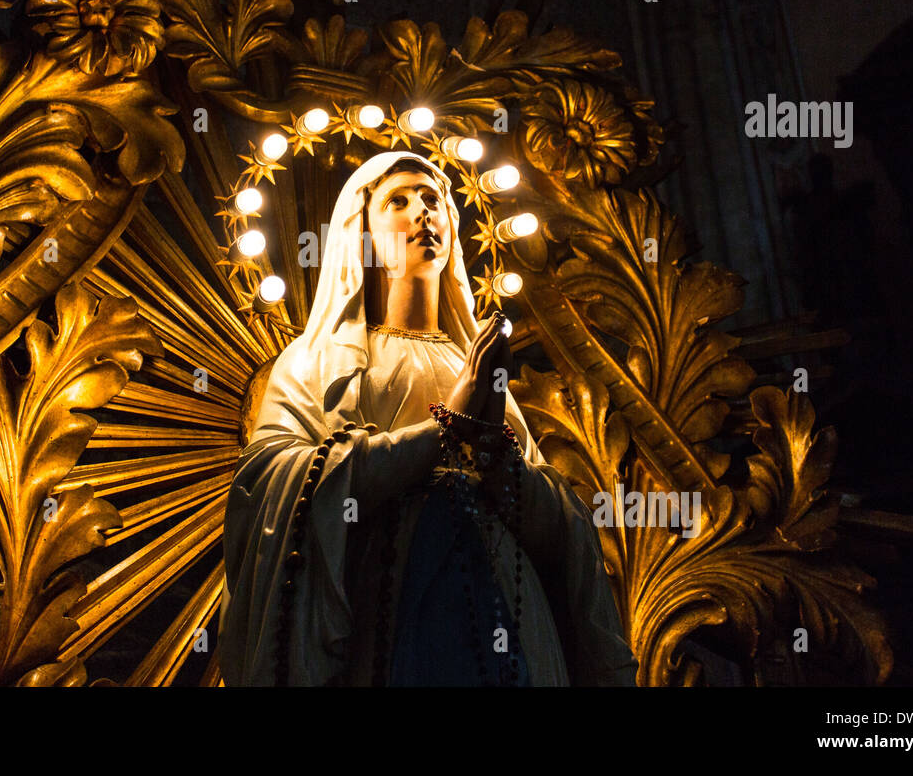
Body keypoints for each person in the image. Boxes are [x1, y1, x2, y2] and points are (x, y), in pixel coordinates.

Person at [219, 150, 638, 686]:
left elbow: (557, 526)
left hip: (511, 608)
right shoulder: (317, 361)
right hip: (388, 605)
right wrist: (446, 427)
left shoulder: (477, 362)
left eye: (433, 200)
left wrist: (494, 454)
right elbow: (272, 483)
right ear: (362, 235)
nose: (423, 212)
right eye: (399, 200)